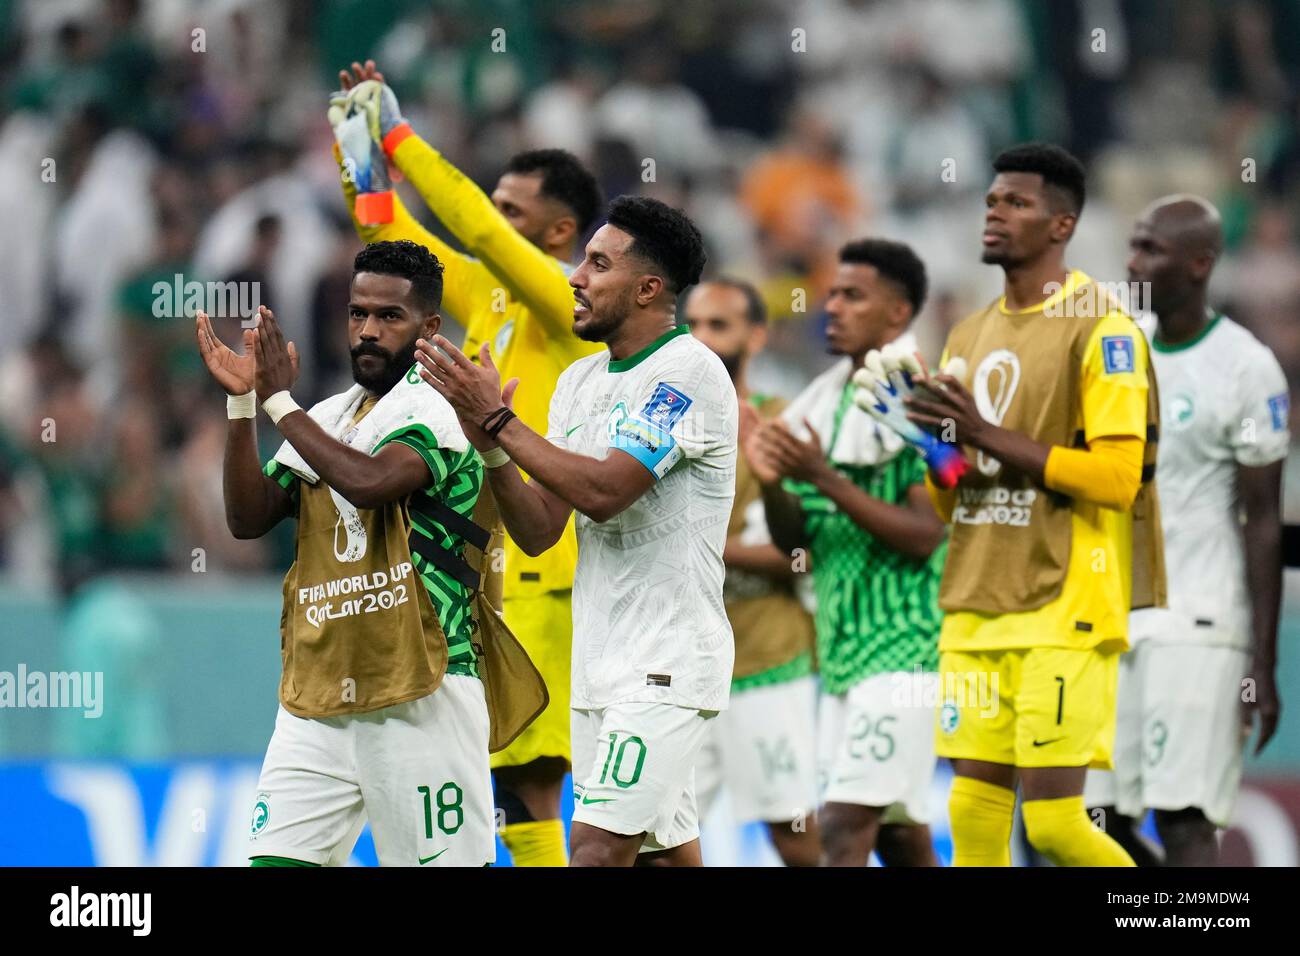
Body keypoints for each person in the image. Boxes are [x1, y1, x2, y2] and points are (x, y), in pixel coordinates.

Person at [334, 61, 606, 866]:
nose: (491, 218)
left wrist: (400, 134)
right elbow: (387, 241)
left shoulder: (566, 304)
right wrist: (357, 149)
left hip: (548, 570)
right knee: (498, 780)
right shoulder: (486, 293)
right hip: (481, 565)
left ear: (560, 233)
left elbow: (478, 230)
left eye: (513, 208)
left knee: (530, 779)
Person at [414, 196, 736, 867]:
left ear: (649, 288)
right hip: (599, 666)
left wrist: (501, 424)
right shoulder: (580, 381)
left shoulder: (687, 373)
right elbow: (537, 529)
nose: (574, 278)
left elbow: (606, 492)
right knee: (663, 857)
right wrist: (493, 448)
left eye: (597, 264)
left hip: (667, 663)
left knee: (593, 851)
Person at [901, 143, 1164, 867]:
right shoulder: (967, 334)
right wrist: (933, 448)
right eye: (991, 200)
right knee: (975, 822)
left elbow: (1117, 478)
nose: (995, 212)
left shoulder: (1102, 328)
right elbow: (954, 497)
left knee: (1053, 827)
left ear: (1062, 225)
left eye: (1016, 203)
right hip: (975, 605)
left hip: (1064, 605)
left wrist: (984, 432)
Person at [198, 240, 495, 866]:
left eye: (390, 317)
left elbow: (372, 481)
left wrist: (280, 405)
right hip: (321, 693)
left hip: (423, 691)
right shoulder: (328, 416)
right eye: (358, 313)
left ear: (429, 328)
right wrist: (243, 404)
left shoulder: (438, 410)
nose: (367, 330)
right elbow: (248, 518)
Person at [1085, 195, 1289, 865]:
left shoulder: (1246, 368)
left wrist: (1262, 663)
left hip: (1200, 623)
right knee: (1086, 820)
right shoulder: (1115, 349)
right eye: (1134, 244)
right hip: (1112, 622)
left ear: (1200, 264)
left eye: (1151, 250)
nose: (1132, 260)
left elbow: (1264, 524)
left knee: (1182, 820)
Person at [751, 239, 947, 866]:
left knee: (839, 827)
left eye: (852, 295)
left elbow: (926, 535)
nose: (831, 305)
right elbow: (795, 542)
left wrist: (823, 475)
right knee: (899, 837)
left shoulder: (917, 398)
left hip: (905, 648)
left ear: (898, 314)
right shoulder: (823, 402)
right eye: (832, 292)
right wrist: (777, 482)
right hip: (840, 651)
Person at [684, 277, 821, 866]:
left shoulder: (783, 424)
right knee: (658, 842)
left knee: (794, 837)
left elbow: (802, 557)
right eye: (691, 324)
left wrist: (693, 546)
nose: (701, 338)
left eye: (719, 325)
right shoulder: (665, 425)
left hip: (767, 660)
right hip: (681, 670)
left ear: (757, 335)